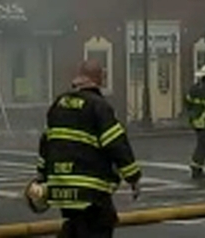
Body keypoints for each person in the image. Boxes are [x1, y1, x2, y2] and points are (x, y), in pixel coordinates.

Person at [35, 59, 142, 237]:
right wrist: (133, 177)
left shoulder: (58, 104)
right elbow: (115, 143)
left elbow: (46, 143)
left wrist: (41, 175)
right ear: (99, 78)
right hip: (90, 190)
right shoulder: (98, 106)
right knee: (101, 224)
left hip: (61, 189)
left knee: (75, 225)